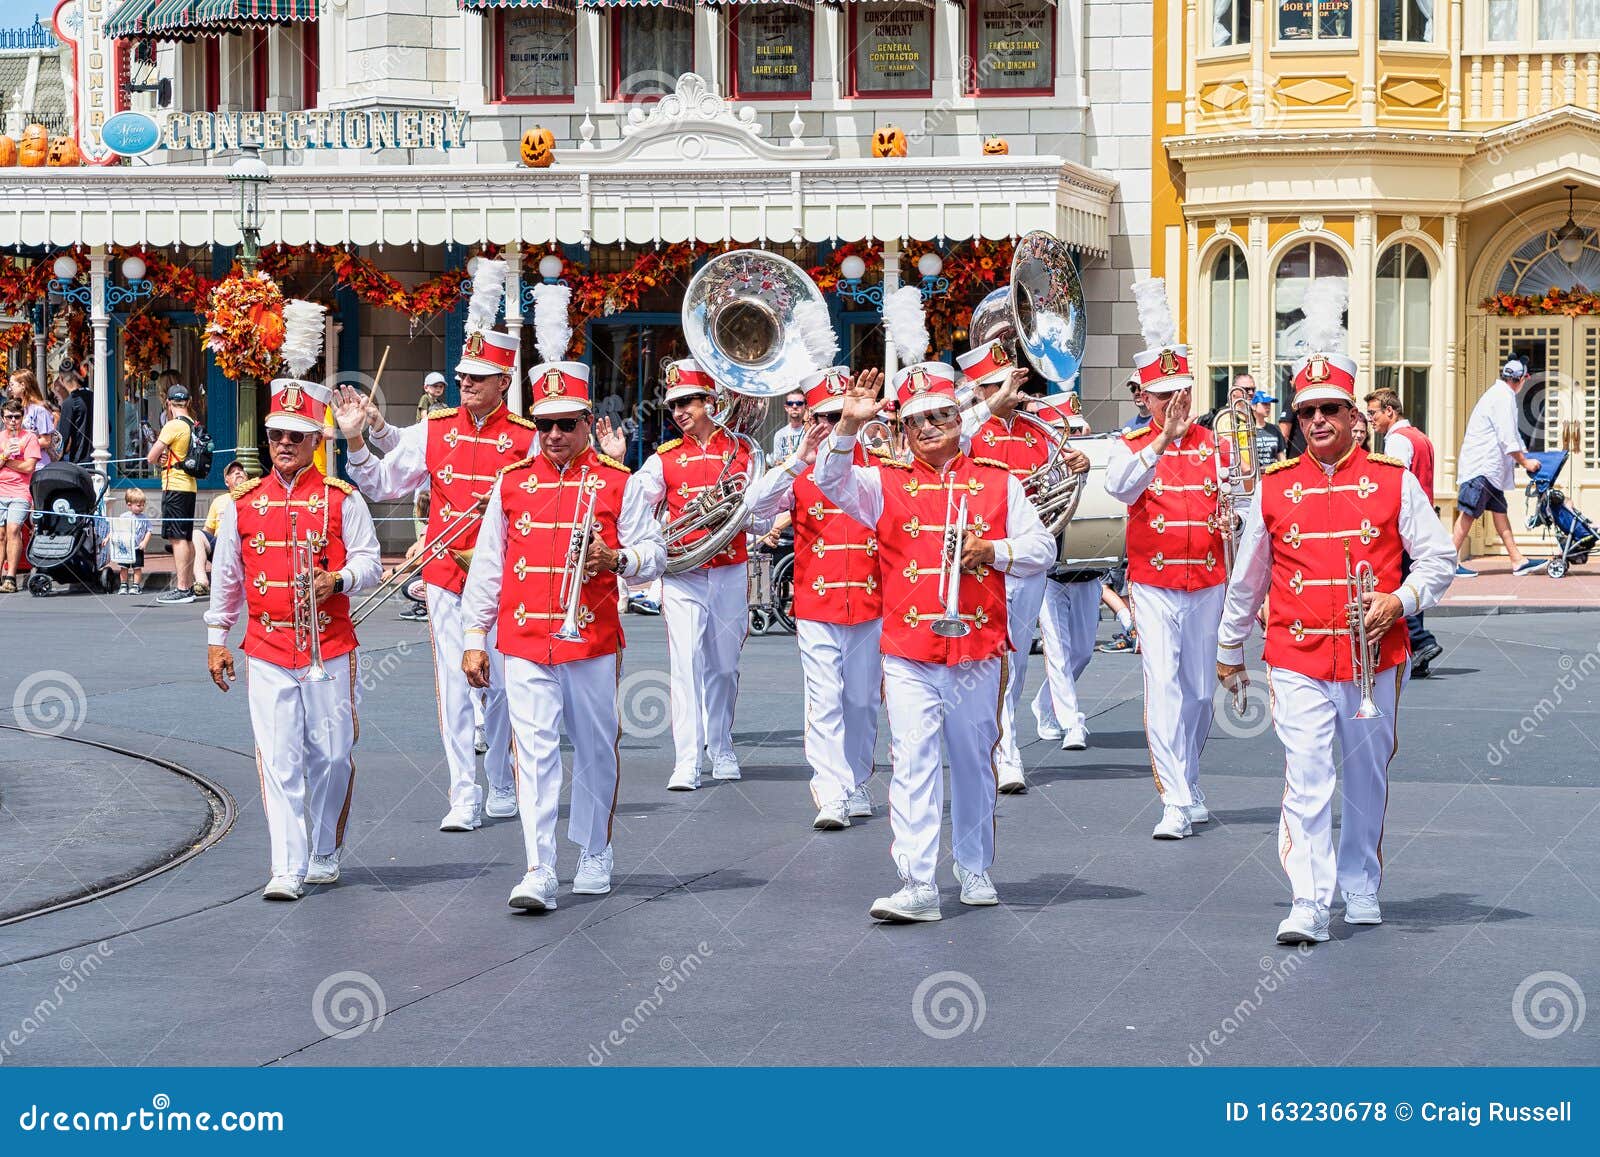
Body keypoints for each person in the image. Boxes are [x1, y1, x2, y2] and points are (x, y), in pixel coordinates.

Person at [1217, 350, 1455, 945]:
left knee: (1367, 776)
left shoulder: (1392, 480)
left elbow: (1439, 560)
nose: (1318, 420)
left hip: (1374, 657)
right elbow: (1247, 578)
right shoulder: (1273, 489)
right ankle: (1308, 899)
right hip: (1295, 655)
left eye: (1331, 409)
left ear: (1356, 415)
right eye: (1307, 411)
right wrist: (1228, 647)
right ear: (1296, 420)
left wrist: (1401, 601)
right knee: (1307, 774)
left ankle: (1360, 881)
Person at [815, 359, 1055, 923]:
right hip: (908, 650)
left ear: (960, 417)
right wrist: (847, 426)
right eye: (917, 419)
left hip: (976, 648)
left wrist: (995, 552)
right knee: (914, 760)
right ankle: (917, 881)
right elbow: (829, 481)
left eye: (940, 415)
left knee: (973, 761)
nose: (928, 427)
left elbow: (1043, 549)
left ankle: (973, 866)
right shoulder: (881, 483)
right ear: (902, 428)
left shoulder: (998, 479)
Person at [460, 358, 666, 911]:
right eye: (545, 424)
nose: (554, 435)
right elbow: (488, 567)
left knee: (597, 747)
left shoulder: (621, 483)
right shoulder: (510, 483)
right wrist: (474, 635)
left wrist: (618, 559)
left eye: (567, 423)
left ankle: (595, 848)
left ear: (586, 421)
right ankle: (540, 865)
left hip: (591, 640)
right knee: (535, 751)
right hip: (524, 639)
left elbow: (656, 554)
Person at [337, 272, 535, 831]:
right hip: (448, 575)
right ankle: (463, 794)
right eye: (463, 375)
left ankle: (501, 779)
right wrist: (356, 439)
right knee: (452, 684)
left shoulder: (528, 438)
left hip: (506, 581)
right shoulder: (435, 431)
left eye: (477, 377)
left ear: (503, 380)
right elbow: (382, 484)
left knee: (498, 683)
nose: (466, 384)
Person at [205, 377, 383, 901]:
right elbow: (228, 578)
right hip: (266, 646)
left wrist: (339, 579)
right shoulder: (242, 504)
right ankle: (287, 863)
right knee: (278, 757)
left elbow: (371, 562)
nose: (284, 443)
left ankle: (325, 847)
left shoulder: (341, 499)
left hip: (329, 644)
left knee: (331, 754)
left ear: (316, 442)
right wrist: (218, 636)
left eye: (296, 435)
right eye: (277, 433)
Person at [1106, 280, 1227, 841]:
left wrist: (1236, 518)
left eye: (1183, 392)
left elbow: (1242, 503)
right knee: (1164, 687)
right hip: (1154, 584)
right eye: (1164, 396)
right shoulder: (1132, 446)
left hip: (1208, 580)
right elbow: (1119, 489)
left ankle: (1192, 781)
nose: (1176, 404)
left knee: (1202, 690)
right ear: (1145, 399)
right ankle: (1173, 798)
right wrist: (1161, 441)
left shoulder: (1217, 443)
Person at [747, 365, 885, 831]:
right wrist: (795, 460)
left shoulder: (879, 465)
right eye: (819, 417)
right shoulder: (800, 472)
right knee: (824, 699)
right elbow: (753, 510)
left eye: (835, 414)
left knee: (863, 700)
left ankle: (858, 778)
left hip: (870, 602)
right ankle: (831, 791)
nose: (827, 425)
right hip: (816, 602)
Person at [958, 342, 1089, 790]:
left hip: (1028, 558)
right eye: (996, 385)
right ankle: (1003, 754)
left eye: (1010, 382)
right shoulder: (968, 429)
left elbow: (1058, 488)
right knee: (991, 660)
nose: (1011, 390)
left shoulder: (1039, 431)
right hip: (982, 559)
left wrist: (1079, 467)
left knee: (1015, 662)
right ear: (979, 391)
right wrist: (988, 404)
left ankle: (999, 742)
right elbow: (952, 428)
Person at [629, 359, 757, 791]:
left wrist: (749, 520)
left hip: (728, 569)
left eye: (688, 402)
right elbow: (636, 504)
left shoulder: (743, 451)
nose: (679, 411)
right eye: (673, 405)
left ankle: (720, 746)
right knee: (683, 664)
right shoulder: (664, 458)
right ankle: (687, 759)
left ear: (710, 401)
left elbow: (759, 512)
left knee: (723, 665)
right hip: (683, 572)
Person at [1365, 389, 1444, 677]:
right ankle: (1418, 646)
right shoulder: (1420, 437)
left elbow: (1392, 483)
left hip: (1403, 522)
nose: (1370, 419)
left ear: (1390, 411)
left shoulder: (1397, 440)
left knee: (1397, 584)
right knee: (1413, 580)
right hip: (1422, 517)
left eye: (1373, 413)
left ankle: (1420, 642)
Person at [1452, 359, 1546, 577]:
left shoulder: (1501, 394)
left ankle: (1517, 560)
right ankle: (1448, 564)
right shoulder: (1502, 397)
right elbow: (1507, 438)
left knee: (1499, 511)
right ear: (1523, 379)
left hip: (1489, 470)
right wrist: (1525, 462)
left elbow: (1511, 435)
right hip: (1482, 468)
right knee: (1468, 513)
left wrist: (1527, 456)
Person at [146, 384, 201, 604]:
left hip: (175, 486)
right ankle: (187, 585)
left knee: (177, 539)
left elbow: (151, 457)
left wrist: (159, 453)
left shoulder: (173, 426)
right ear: (187, 402)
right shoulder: (192, 425)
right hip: (189, 485)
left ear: (168, 403)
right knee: (185, 537)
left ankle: (182, 587)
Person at [0, 398, 41, 593]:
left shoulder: (29, 438)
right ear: (3, 418)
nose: (13, 421)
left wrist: (5, 462)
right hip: (0, 491)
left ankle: (11, 577)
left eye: (17, 417)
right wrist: (5, 454)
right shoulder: (0, 438)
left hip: (20, 492)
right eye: (9, 417)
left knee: (13, 529)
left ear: (22, 417)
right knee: (0, 534)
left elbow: (28, 467)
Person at [193, 459, 249, 597]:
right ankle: (202, 581)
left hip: (244, 546)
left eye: (240, 471)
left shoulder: (256, 498)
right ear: (226, 482)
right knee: (197, 534)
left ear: (247, 477)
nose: (238, 473)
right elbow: (208, 531)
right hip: (220, 546)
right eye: (232, 472)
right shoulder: (219, 501)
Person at [108, 488, 153, 595]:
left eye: (143, 505)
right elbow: (116, 529)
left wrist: (145, 542)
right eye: (138, 505)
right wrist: (108, 537)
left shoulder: (144, 518)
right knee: (123, 567)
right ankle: (123, 585)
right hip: (125, 548)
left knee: (137, 568)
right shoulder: (124, 517)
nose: (141, 507)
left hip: (138, 548)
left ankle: (135, 586)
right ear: (129, 505)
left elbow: (149, 531)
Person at [10, 370, 56, 467]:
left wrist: (21, 445)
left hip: (38, 465)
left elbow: (46, 441)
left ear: (22, 385)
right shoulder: (22, 408)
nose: (10, 388)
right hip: (24, 463)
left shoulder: (39, 410)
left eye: (12, 384)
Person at [53, 370, 92, 466]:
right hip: (97, 457)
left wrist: (57, 460)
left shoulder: (70, 402)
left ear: (62, 379)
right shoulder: (93, 396)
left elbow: (63, 437)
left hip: (79, 460)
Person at [1249, 389, 1287, 466]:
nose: (1268, 407)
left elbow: (1281, 456)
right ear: (1253, 406)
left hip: (1273, 474)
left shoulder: (1275, 429)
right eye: (1264, 404)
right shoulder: (1247, 430)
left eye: (1269, 404)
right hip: (1255, 475)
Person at [771, 389, 807, 461]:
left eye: (799, 403)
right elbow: (777, 461)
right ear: (786, 408)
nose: (794, 406)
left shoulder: (810, 432)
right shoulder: (779, 435)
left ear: (805, 406)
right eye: (790, 403)